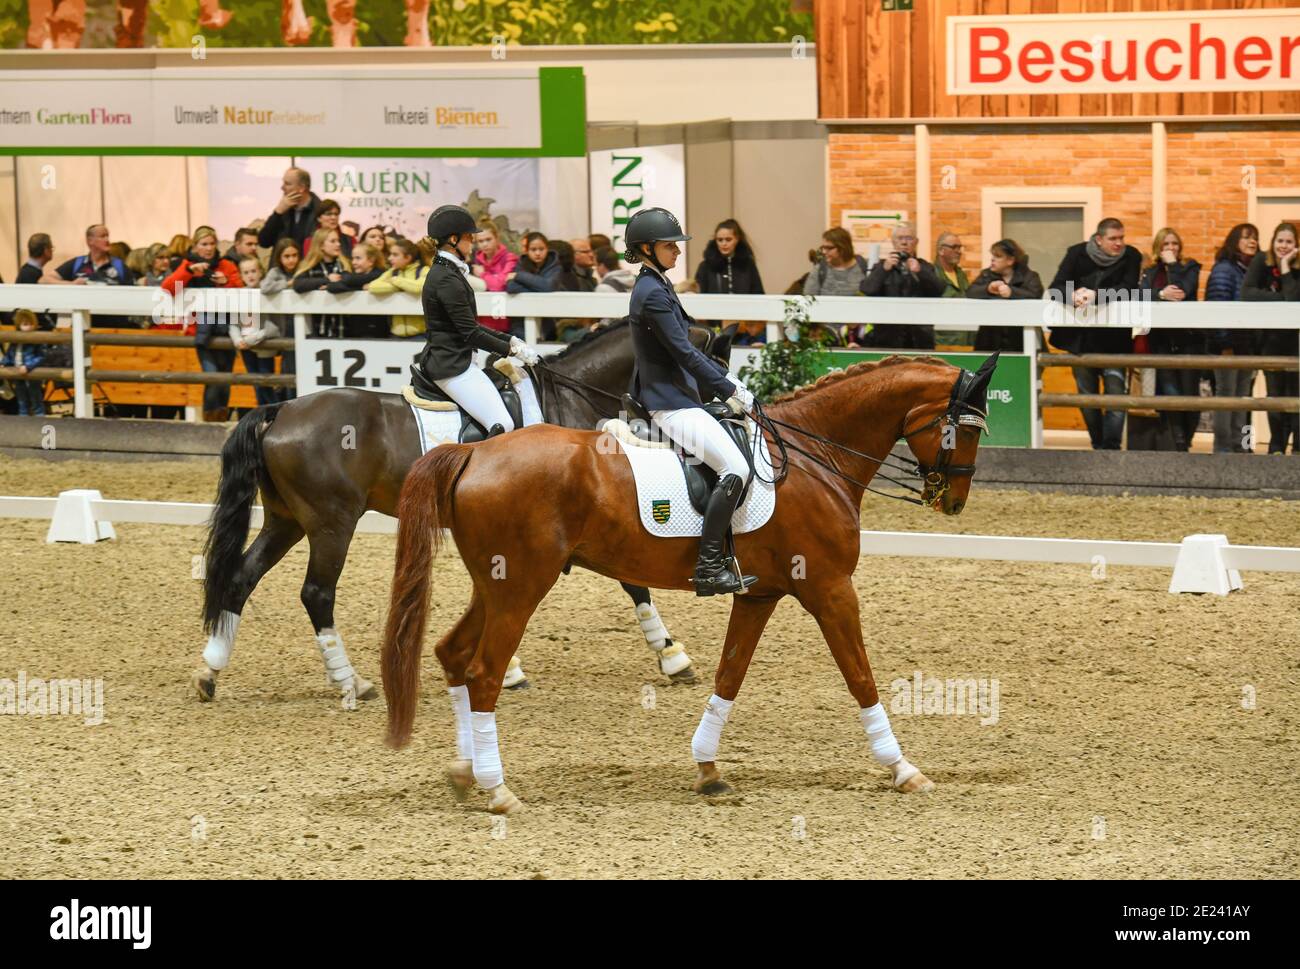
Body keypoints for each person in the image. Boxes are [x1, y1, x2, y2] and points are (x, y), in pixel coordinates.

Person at [624, 206, 756, 598]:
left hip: (681, 395)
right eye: (670, 246)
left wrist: (723, 383)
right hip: (670, 403)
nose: (678, 252)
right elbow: (684, 352)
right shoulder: (651, 293)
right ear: (646, 248)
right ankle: (709, 566)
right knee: (735, 467)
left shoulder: (659, 283)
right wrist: (731, 389)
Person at [416, 205, 543, 435]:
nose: (472, 243)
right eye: (468, 238)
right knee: (502, 424)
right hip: (451, 366)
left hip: (459, 360)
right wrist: (511, 351)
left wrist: (513, 340)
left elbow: (471, 326)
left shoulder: (450, 272)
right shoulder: (446, 278)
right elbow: (471, 333)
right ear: (453, 239)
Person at [1047, 217, 1143, 450]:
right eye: (1113, 239)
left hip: (1114, 340)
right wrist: (1073, 296)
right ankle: (1097, 444)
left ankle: (1110, 448)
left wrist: (1096, 295)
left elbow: (1129, 289)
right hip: (1081, 340)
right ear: (1099, 240)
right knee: (1087, 397)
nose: (1119, 243)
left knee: (1115, 396)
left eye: (1121, 238)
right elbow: (1056, 287)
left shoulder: (1132, 256)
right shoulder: (1076, 253)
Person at [160, 225, 244, 422]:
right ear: (195, 246)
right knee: (212, 376)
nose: (208, 248)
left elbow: (241, 292)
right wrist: (189, 271)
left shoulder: (227, 266)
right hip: (200, 330)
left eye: (212, 243)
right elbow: (168, 288)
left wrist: (225, 283)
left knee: (224, 379)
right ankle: (211, 420)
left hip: (226, 328)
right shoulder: (188, 265)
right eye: (204, 244)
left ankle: (219, 420)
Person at [1139, 228, 1203, 452]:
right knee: (1171, 394)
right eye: (1166, 244)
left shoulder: (1190, 267)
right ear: (1158, 247)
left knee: (1190, 396)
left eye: (1175, 243)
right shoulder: (1149, 271)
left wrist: (1173, 265)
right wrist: (1160, 294)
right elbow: (1139, 294)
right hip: (1161, 341)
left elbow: (1182, 291)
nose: (1171, 248)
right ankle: (1179, 444)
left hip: (1188, 341)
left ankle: (1187, 439)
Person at [1242, 222, 1300, 454]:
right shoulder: (1261, 261)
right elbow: (1247, 293)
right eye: (1280, 241)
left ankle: (1297, 450)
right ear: (1273, 241)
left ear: (1296, 246)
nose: (1283, 246)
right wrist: (1281, 299)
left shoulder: (1296, 266)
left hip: (1296, 342)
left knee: (1296, 396)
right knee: (1275, 396)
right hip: (1269, 342)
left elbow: (1295, 299)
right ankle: (1276, 447)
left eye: (1289, 242)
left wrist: (1286, 267)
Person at [1205, 223, 1261, 453]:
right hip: (1227, 347)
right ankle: (1223, 449)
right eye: (1247, 237)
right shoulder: (1224, 270)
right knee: (1226, 398)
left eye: (1255, 238)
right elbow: (1218, 309)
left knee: (1243, 399)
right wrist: (1224, 343)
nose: (1252, 241)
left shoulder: (1252, 271)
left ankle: (1241, 447)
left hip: (1247, 346)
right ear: (1235, 240)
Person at [858, 222, 944, 349]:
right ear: (893, 242)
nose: (904, 243)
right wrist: (884, 270)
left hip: (919, 338)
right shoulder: (882, 266)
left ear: (916, 242)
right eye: (900, 238)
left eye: (909, 238)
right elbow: (867, 289)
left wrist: (920, 272)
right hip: (887, 337)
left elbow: (939, 290)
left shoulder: (924, 266)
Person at [43, 224, 136, 327]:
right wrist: (71, 284)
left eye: (107, 236)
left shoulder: (119, 266)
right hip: (83, 327)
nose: (107, 240)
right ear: (90, 241)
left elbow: (134, 293)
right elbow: (45, 279)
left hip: (113, 329)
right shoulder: (77, 263)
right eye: (103, 236)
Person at [966, 239, 1044, 351]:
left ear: (1010, 260)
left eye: (998, 256)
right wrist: (988, 289)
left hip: (1021, 337)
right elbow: (970, 292)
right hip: (990, 339)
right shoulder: (986, 275)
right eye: (992, 255)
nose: (992, 259)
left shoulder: (1029, 276)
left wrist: (1012, 292)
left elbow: (1036, 294)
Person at [229, 258, 279, 408]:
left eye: (253, 271)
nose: (250, 275)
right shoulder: (239, 295)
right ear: (241, 276)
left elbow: (274, 327)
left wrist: (254, 338)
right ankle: (262, 418)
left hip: (264, 345)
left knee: (265, 382)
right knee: (256, 385)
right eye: (246, 272)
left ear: (261, 272)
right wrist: (237, 340)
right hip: (246, 347)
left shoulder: (267, 294)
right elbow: (234, 322)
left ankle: (273, 415)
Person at [259, 238, 302, 401]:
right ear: (279, 258)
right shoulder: (275, 272)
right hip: (285, 325)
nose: (291, 260)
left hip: (303, 323)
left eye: (294, 255)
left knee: (299, 365)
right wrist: (288, 283)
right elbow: (265, 287)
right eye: (287, 256)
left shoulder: (303, 269)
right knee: (289, 367)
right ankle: (290, 403)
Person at [292, 227, 351, 338]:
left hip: (344, 325)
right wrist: (327, 279)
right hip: (318, 327)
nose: (338, 244)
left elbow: (350, 284)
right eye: (333, 241)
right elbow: (298, 284)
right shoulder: (310, 266)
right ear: (321, 245)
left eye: (338, 241)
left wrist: (329, 286)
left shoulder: (346, 265)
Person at [369, 237, 427, 339]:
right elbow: (373, 286)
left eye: (395, 255)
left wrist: (395, 280)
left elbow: (419, 287)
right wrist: (402, 286)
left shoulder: (423, 270)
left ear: (408, 257)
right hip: (395, 334)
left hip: (421, 335)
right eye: (391, 254)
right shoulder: (392, 271)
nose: (390, 258)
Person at [326, 241, 385, 338]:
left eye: (358, 258)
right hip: (354, 328)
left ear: (371, 261)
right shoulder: (352, 275)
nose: (353, 262)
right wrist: (361, 287)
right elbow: (332, 287)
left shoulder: (380, 274)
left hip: (376, 329)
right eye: (353, 258)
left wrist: (349, 282)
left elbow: (348, 280)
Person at [257, 167, 322, 250]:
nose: (282, 187)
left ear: (302, 188)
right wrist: (277, 213)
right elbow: (264, 242)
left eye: (287, 184)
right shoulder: (282, 211)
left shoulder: (320, 212)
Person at [472, 221, 519, 336]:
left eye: (488, 239)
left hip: (503, 319)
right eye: (480, 241)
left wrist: (483, 275)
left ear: (497, 238)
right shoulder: (476, 261)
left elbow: (500, 285)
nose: (484, 244)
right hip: (480, 319)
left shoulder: (510, 258)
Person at [1, 309, 47, 416]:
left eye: (31, 324)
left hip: (32, 374)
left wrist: (28, 366)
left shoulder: (38, 338)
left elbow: (41, 356)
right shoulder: (15, 339)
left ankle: (41, 421)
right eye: (25, 324)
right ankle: (23, 423)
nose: (29, 327)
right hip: (17, 373)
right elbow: (10, 354)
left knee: (36, 400)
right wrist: (4, 363)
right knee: (21, 401)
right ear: (18, 325)